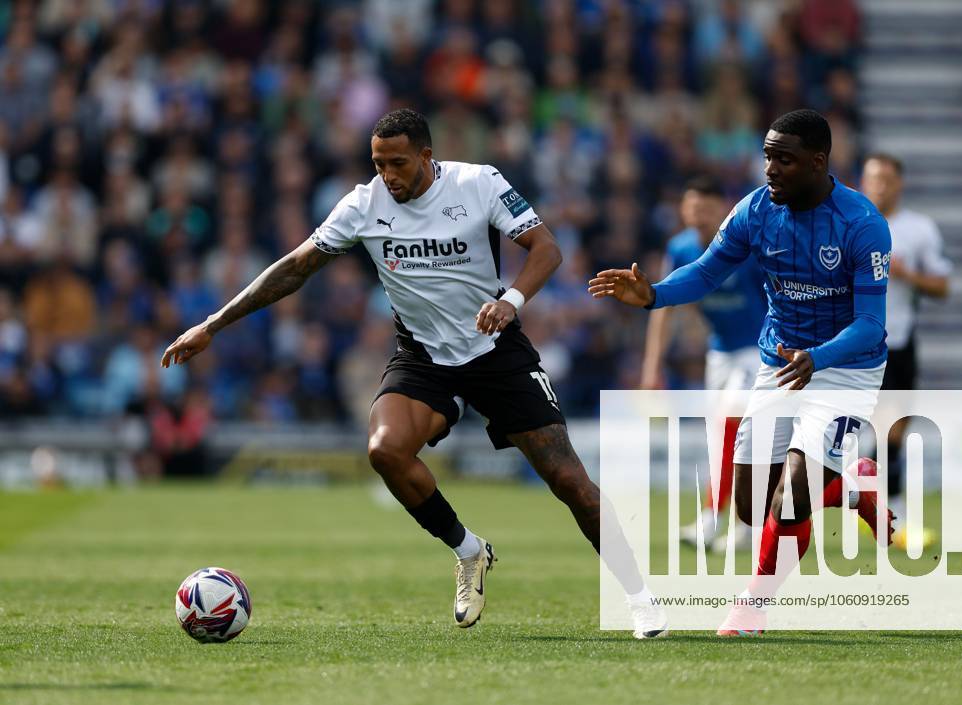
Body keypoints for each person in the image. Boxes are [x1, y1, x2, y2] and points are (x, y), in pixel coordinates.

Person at [162, 109, 666, 638]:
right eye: (379, 164)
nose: (389, 176)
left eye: (398, 163)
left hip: (495, 349)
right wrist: (213, 325)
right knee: (384, 450)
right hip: (423, 356)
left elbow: (547, 248)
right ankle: (469, 551)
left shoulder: (479, 182)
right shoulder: (364, 204)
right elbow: (295, 267)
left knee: (569, 480)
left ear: (427, 155)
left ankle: (639, 597)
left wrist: (512, 300)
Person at [589, 109, 894, 636]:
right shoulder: (754, 210)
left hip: (844, 371)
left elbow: (871, 324)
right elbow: (707, 270)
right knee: (753, 508)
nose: (770, 169)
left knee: (792, 494)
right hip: (777, 367)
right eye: (767, 157)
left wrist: (818, 357)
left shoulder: (863, 225)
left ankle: (751, 605)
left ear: (818, 162)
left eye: (784, 159)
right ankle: (851, 485)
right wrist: (654, 296)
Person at [640, 176, 767, 553]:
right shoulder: (679, 248)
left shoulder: (745, 247)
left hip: (759, 349)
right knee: (730, 438)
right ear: (683, 209)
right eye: (692, 206)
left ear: (723, 210)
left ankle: (711, 518)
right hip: (721, 352)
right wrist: (651, 367)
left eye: (708, 207)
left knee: (731, 423)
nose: (699, 214)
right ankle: (747, 525)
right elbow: (665, 309)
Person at [860, 153, 951, 550]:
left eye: (887, 179)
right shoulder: (849, 224)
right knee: (888, 425)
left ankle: (870, 501)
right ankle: (886, 511)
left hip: (902, 341)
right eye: (872, 178)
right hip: (859, 341)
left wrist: (907, 275)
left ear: (899, 183)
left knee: (898, 428)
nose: (880, 185)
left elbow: (942, 287)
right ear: (863, 183)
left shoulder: (919, 229)